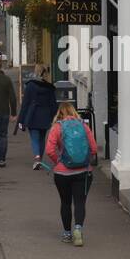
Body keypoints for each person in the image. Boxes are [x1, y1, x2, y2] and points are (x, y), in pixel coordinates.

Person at [44, 102, 98, 246]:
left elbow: (49, 150)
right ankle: (78, 229)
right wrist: (86, 160)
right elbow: (93, 148)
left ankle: (67, 233)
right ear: (74, 112)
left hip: (62, 173)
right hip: (83, 172)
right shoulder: (83, 126)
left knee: (65, 202)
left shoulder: (57, 127)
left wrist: (59, 161)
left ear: (59, 113)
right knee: (80, 202)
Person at [17, 66, 56, 169]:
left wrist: (21, 120)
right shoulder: (49, 87)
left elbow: (25, 104)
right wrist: (54, 117)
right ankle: (40, 160)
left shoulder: (30, 86)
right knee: (42, 138)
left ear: (35, 72)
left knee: (34, 138)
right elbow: (53, 104)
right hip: (45, 116)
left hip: (33, 115)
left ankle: (37, 158)